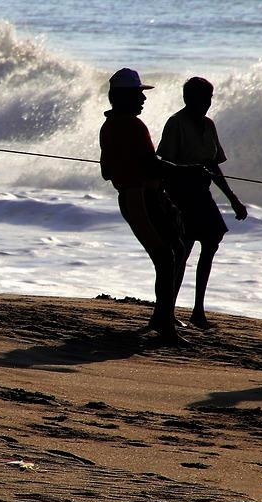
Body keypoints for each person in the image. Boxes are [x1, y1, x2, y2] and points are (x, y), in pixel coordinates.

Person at [98, 68, 203, 344]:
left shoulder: (109, 126)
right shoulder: (132, 125)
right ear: (123, 97)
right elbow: (150, 163)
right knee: (166, 257)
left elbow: (106, 171)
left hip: (138, 197)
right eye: (138, 95)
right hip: (139, 200)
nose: (143, 100)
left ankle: (162, 316)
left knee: (176, 250)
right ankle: (165, 324)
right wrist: (188, 170)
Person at [157, 76, 248, 329]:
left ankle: (198, 310)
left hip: (202, 194)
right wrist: (167, 199)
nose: (207, 103)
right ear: (189, 99)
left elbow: (213, 166)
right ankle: (168, 311)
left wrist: (233, 200)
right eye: (203, 98)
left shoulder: (209, 125)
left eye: (209, 98)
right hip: (180, 195)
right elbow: (165, 165)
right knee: (181, 253)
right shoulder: (176, 123)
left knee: (211, 242)